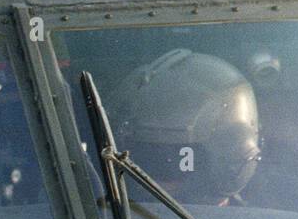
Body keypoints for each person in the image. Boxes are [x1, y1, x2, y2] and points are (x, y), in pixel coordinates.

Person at [107, 49, 262, 207]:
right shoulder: (106, 214)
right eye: (141, 158)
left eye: (165, 166)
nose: (143, 177)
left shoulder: (272, 215)